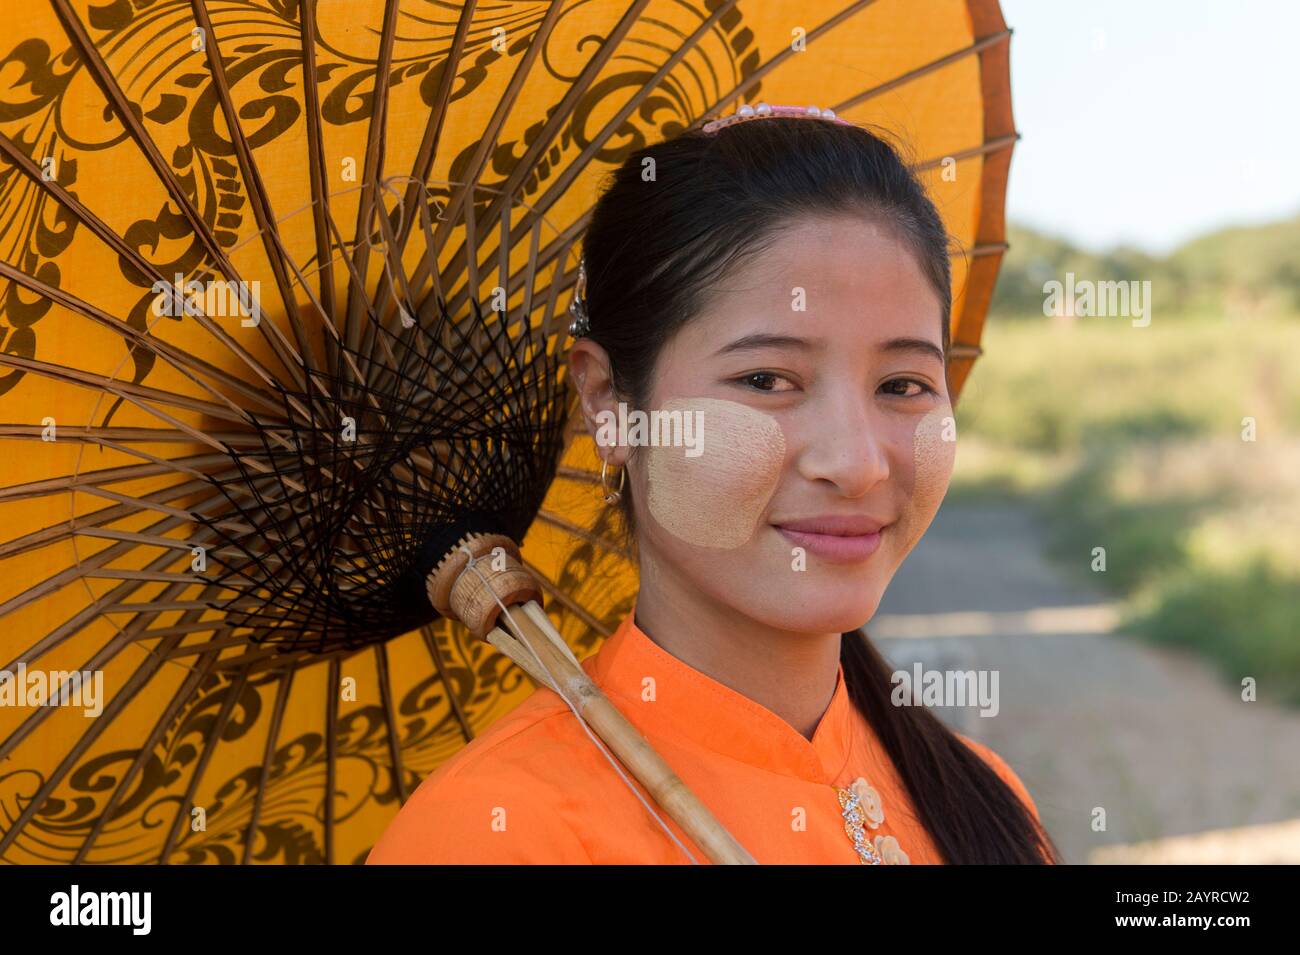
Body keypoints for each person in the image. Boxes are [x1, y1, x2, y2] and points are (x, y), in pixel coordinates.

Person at [367, 104, 1060, 865]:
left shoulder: (983, 799)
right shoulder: (494, 833)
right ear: (608, 401)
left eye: (902, 384)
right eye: (767, 379)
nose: (858, 462)